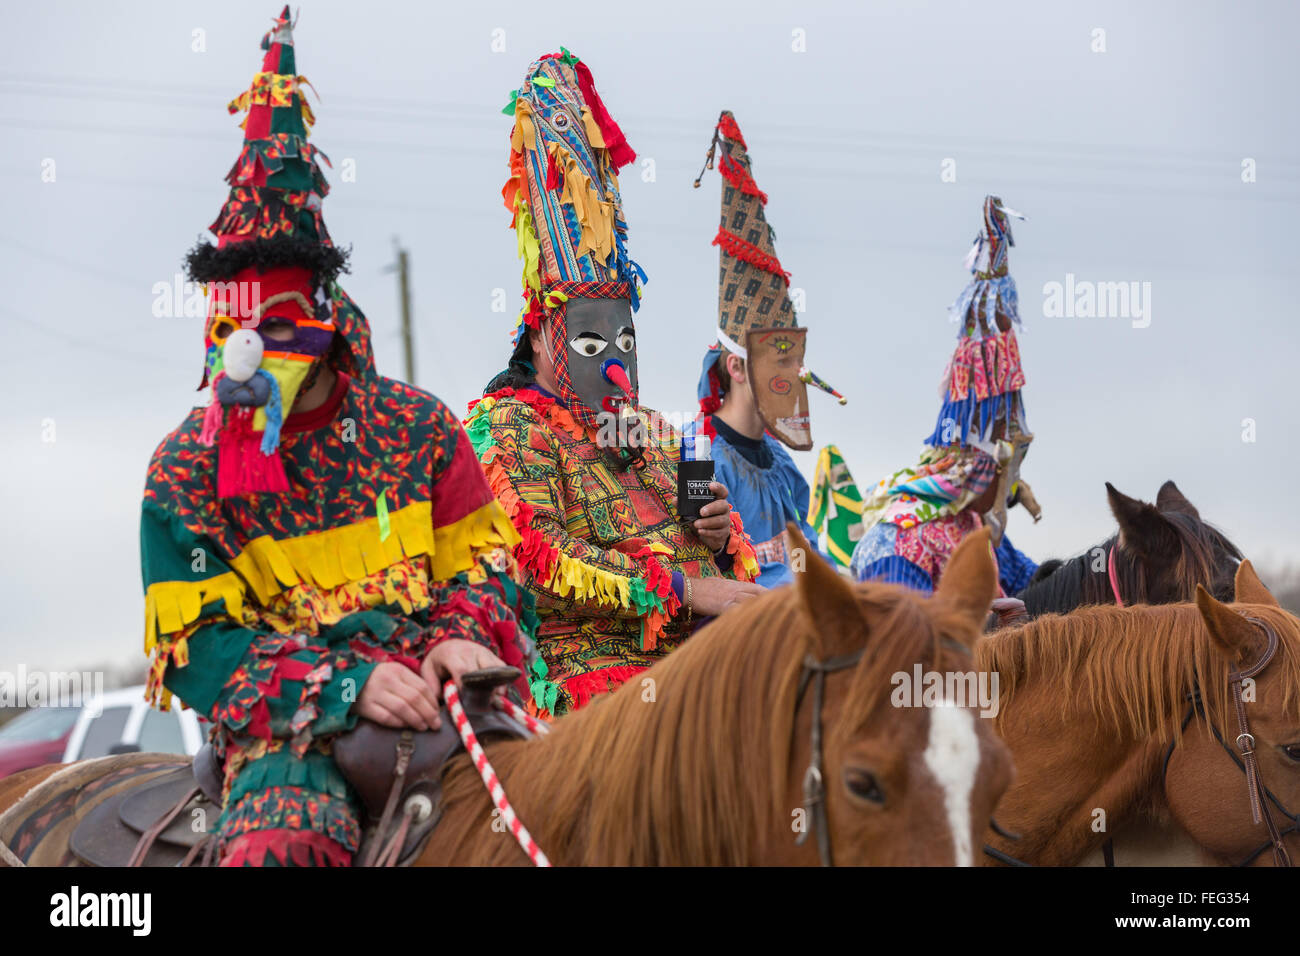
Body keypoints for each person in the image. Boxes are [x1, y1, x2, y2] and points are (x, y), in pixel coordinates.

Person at [141, 6, 533, 866]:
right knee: (287, 844)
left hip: (447, 700)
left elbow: (492, 568)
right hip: (288, 743)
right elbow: (199, 648)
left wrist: (460, 632)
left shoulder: (418, 429)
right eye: (228, 340)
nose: (244, 372)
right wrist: (347, 688)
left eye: (270, 339)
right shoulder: (186, 468)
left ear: (322, 324)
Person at [466, 51, 763, 718]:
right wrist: (685, 587)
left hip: (702, 662)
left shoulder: (656, 429)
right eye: (593, 343)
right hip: (593, 689)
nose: (616, 365)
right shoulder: (504, 428)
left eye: (626, 341)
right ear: (544, 337)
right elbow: (537, 559)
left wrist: (716, 535)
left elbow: (715, 550)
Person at [849, 195, 1042, 596]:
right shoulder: (898, 542)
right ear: (977, 470)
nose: (1009, 488)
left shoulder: (973, 528)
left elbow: (1039, 586)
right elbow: (906, 641)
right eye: (1005, 472)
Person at [689, 111, 846, 587]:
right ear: (736, 365)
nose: (797, 373)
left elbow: (810, 566)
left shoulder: (783, 467)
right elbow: (693, 573)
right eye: (782, 359)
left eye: (795, 359)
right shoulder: (693, 457)